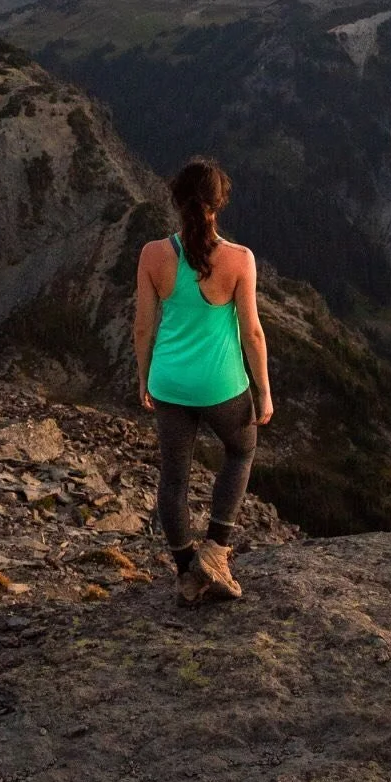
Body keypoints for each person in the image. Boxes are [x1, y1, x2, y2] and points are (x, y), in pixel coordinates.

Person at [134, 156, 273, 606]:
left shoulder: (153, 255)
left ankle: (185, 571)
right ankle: (216, 549)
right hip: (221, 386)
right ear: (219, 203)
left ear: (176, 202)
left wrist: (144, 378)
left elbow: (142, 327)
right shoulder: (239, 260)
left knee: (173, 479)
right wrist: (265, 390)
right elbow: (252, 332)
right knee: (241, 449)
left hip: (170, 384)